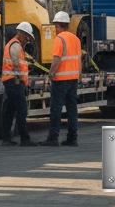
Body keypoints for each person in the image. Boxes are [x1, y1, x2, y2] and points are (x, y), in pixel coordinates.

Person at [41, 11, 81, 147]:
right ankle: (72, 138)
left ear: (58, 25)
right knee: (72, 110)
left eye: (55, 25)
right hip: (73, 79)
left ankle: (53, 138)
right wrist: (77, 75)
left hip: (61, 80)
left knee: (56, 109)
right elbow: (79, 61)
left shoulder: (59, 39)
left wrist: (50, 74)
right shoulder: (76, 39)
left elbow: (56, 59)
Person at [2, 22, 38, 147]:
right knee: (22, 110)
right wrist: (19, 80)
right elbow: (16, 65)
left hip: (10, 81)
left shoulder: (13, 44)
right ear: (21, 33)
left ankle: (6, 138)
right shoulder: (16, 46)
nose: (27, 39)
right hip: (14, 81)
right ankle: (25, 139)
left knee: (10, 110)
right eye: (27, 35)